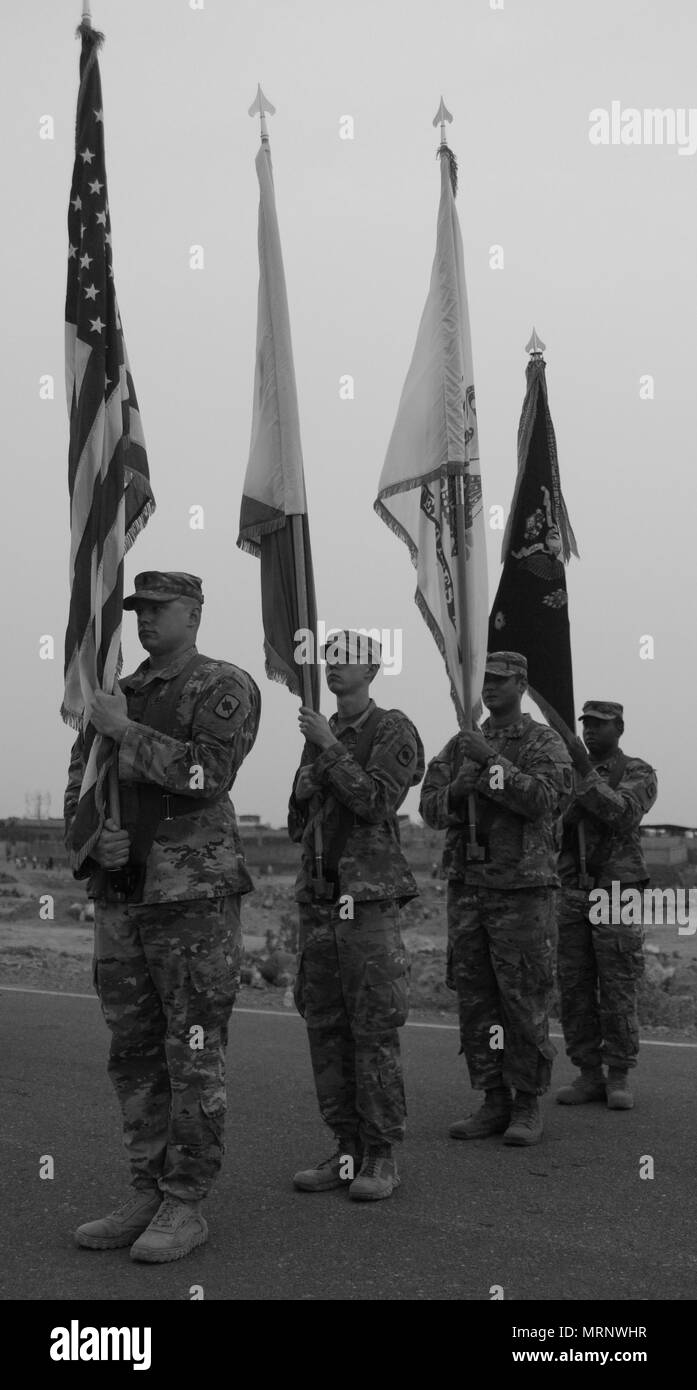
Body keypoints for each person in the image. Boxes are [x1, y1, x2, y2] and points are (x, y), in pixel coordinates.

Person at [64, 572, 260, 1262]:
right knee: (134, 1054)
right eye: (138, 610)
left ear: (194, 613)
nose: (145, 620)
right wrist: (92, 843)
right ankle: (144, 1190)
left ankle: (185, 1202)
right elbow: (79, 784)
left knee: (193, 1052)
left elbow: (210, 773)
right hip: (122, 896)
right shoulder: (118, 692)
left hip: (190, 898)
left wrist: (128, 735)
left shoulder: (221, 686)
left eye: (158, 609)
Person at [288, 630, 424, 1201]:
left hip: (366, 899)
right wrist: (316, 761)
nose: (333, 668)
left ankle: (382, 1154)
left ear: (371, 669)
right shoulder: (322, 733)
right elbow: (298, 816)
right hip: (319, 899)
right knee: (325, 1026)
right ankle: (346, 1149)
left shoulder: (391, 727)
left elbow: (375, 801)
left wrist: (329, 749)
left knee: (373, 1027)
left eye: (345, 661)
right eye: (327, 660)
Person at [419, 651, 572, 1147]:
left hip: (521, 890)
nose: (488, 688)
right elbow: (429, 808)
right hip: (468, 887)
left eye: (499, 680)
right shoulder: (460, 743)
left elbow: (544, 798)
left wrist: (489, 766)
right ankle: (493, 1097)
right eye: (482, 680)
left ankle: (527, 1102)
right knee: (477, 999)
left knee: (522, 998)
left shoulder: (542, 740)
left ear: (521, 683)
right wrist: (457, 790)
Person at [555, 701, 657, 1111]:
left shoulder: (638, 772)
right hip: (573, 890)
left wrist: (584, 776)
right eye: (587, 725)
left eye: (600, 725)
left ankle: (619, 1074)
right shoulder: (562, 771)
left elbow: (623, 813)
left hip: (618, 891)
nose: (592, 731)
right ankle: (587, 1073)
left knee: (617, 986)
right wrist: (577, 777)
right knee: (575, 987)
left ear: (620, 727)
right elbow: (547, 818)